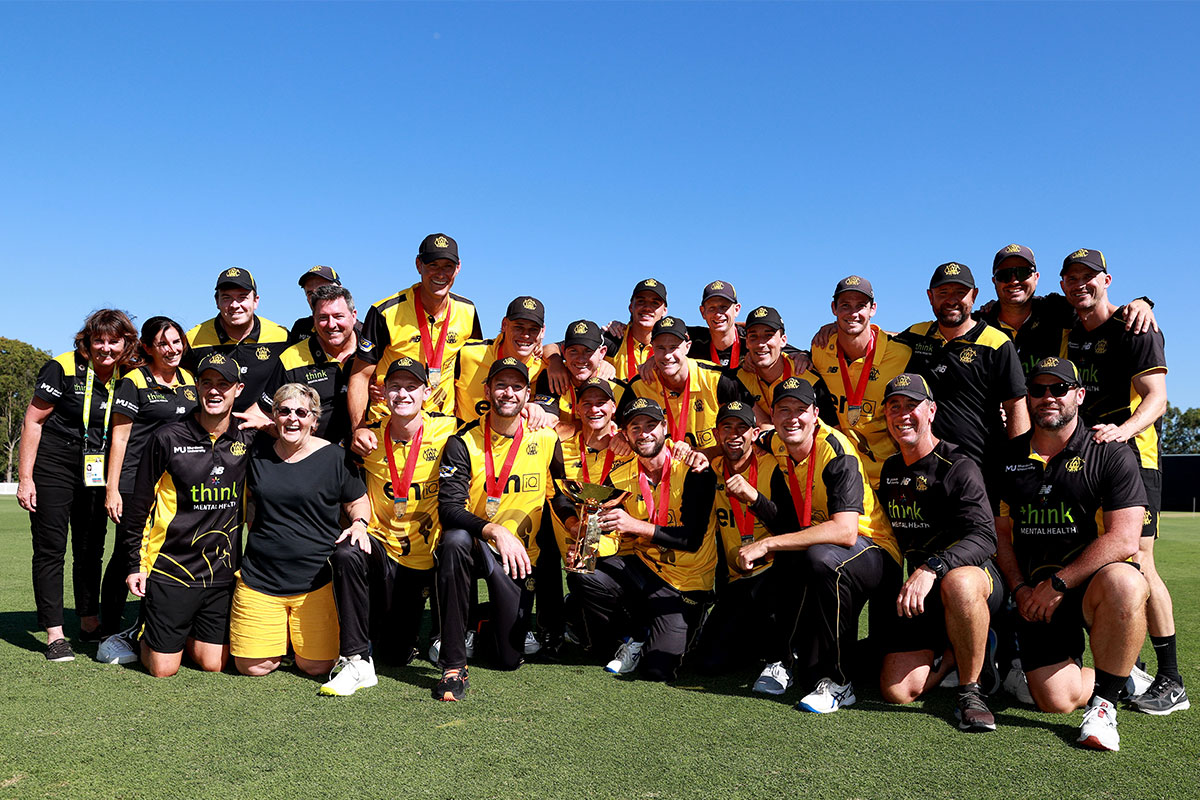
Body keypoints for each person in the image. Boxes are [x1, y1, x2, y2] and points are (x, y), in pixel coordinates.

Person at [993, 357, 1150, 751]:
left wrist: (1060, 583)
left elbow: (1125, 539)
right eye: (1038, 389)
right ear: (1028, 398)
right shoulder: (1007, 457)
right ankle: (1122, 673)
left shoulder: (1110, 451)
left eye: (1059, 388)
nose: (1048, 397)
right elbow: (1001, 536)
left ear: (1079, 395)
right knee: (1055, 700)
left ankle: (1104, 705)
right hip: (1036, 596)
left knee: (1127, 582)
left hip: (1087, 586)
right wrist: (1020, 589)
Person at [1061, 248, 1184, 715]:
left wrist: (1122, 431)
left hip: (1133, 456)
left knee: (1139, 559)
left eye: (1089, 276)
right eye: (1072, 277)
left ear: (1107, 280)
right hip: (1086, 458)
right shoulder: (1068, 327)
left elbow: (1157, 399)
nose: (1081, 284)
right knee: (1093, 557)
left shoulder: (1136, 326)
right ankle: (1126, 666)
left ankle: (1171, 678)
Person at [737, 378, 901, 713]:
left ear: (815, 415)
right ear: (774, 415)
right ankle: (783, 659)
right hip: (831, 549)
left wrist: (766, 544)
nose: (792, 418)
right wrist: (696, 455)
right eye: (784, 410)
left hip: (875, 550)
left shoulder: (836, 451)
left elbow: (845, 532)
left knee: (818, 555)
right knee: (809, 671)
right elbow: (753, 435)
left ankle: (839, 682)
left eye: (801, 410)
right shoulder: (778, 438)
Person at [433, 357, 577, 700]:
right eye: (500, 385)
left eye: (516, 387)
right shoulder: (462, 441)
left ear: (527, 394)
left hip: (519, 556)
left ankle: (480, 624)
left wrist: (574, 524)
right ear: (487, 391)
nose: (508, 393)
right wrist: (494, 531)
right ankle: (453, 664)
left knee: (507, 659)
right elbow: (449, 509)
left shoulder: (545, 438)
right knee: (453, 541)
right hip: (478, 543)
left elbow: (558, 494)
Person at [876, 373, 1004, 732]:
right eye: (894, 406)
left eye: (912, 405)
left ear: (931, 411)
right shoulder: (891, 469)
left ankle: (971, 691)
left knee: (958, 583)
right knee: (896, 690)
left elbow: (985, 537)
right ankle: (953, 655)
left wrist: (933, 567)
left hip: (972, 581)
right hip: (923, 594)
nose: (902, 414)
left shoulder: (958, 465)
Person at [324, 358, 459, 695]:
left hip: (424, 557)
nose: (403, 394)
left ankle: (438, 636)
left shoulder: (450, 430)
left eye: (411, 387)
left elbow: (494, 429)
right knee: (346, 552)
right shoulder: (367, 438)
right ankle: (355, 659)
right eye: (395, 387)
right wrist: (357, 520)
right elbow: (338, 473)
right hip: (381, 549)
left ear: (427, 393)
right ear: (382, 393)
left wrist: (536, 410)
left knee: (395, 655)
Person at [121, 353, 257, 677]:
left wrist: (269, 424)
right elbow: (139, 506)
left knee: (214, 664)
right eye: (207, 383)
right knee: (163, 669)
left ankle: (177, 633)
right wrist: (134, 565)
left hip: (221, 573)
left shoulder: (249, 437)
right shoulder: (167, 437)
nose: (214, 390)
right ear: (196, 387)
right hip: (171, 569)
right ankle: (139, 633)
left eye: (223, 384)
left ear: (238, 389)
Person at [18, 309, 138, 662]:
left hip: (96, 466)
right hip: (54, 462)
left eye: (114, 341)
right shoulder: (63, 367)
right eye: (98, 340)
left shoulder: (129, 374)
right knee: (51, 548)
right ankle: (55, 633)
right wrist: (25, 478)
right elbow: (33, 421)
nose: (105, 348)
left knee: (90, 548)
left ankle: (88, 621)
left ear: (126, 343)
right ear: (87, 341)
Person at [229, 384, 369, 680]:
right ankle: (281, 634)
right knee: (253, 667)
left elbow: (357, 500)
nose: (292, 418)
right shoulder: (256, 452)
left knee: (316, 666)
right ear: (274, 416)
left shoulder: (335, 457)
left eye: (301, 413)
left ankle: (293, 639)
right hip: (260, 578)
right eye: (284, 411)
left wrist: (359, 523)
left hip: (314, 582)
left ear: (314, 420)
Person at [573, 398, 718, 682]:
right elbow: (608, 530)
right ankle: (633, 636)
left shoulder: (694, 469)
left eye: (651, 425)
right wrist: (584, 549)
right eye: (635, 428)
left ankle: (690, 618)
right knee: (583, 573)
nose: (644, 433)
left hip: (686, 582)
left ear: (664, 427)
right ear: (625, 435)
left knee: (657, 670)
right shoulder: (620, 476)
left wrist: (635, 525)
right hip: (645, 570)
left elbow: (691, 540)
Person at [98, 316, 197, 663]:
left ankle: (150, 628)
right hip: (133, 483)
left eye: (176, 341)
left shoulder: (190, 381)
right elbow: (120, 438)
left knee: (162, 553)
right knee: (127, 555)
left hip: (173, 485)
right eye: (162, 344)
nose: (172, 349)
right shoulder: (134, 381)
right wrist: (113, 489)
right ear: (148, 348)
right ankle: (108, 632)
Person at [691, 401, 798, 695]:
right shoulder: (709, 470)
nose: (734, 434)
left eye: (742, 428)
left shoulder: (773, 466)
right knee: (707, 663)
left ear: (754, 433)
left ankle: (782, 659)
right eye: (727, 427)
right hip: (738, 579)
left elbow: (791, 528)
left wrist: (755, 499)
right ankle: (761, 642)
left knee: (784, 582)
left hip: (776, 572)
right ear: (717, 434)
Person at [893, 262, 1029, 472]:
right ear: (930, 296)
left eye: (960, 292)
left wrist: (1022, 465)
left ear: (974, 296)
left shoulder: (997, 343)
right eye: (943, 292)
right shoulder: (915, 335)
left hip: (982, 468)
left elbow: (1015, 406)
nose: (951, 300)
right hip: (924, 469)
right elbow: (877, 342)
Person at [349, 234, 482, 442]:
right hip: (389, 422)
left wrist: (537, 349)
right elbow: (360, 375)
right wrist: (359, 428)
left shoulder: (468, 310)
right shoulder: (385, 312)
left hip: (442, 426)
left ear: (458, 268)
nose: (440, 274)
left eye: (447, 266)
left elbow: (477, 360)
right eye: (433, 265)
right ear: (419, 265)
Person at [977, 243, 1157, 376]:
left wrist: (1142, 303)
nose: (1014, 280)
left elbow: (1095, 305)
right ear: (994, 281)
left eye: (1023, 273)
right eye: (1004, 275)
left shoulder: (1056, 309)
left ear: (1036, 278)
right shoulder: (979, 324)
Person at [807, 278, 912, 489]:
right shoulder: (820, 350)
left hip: (890, 476)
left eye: (860, 306)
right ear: (834, 308)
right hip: (843, 475)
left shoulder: (902, 354)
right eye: (845, 305)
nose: (853, 313)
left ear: (873, 309)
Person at [245, 284, 360, 446]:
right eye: (323, 317)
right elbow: (263, 411)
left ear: (354, 316)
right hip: (313, 454)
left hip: (372, 452)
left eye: (338, 316)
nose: (331, 324)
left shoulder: (374, 350)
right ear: (313, 319)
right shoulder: (291, 358)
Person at [616, 316, 752, 452]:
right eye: (660, 348)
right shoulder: (639, 385)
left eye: (673, 347)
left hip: (712, 462)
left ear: (687, 347)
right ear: (653, 348)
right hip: (663, 463)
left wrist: (705, 454)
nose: (667, 355)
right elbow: (620, 427)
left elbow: (751, 427)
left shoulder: (716, 378)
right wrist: (621, 437)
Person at [184, 267, 291, 413]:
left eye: (242, 297)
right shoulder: (193, 339)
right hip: (209, 424)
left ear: (256, 301)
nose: (234, 305)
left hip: (264, 424)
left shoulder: (282, 337)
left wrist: (263, 413)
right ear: (217, 301)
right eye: (226, 298)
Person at [454, 295, 550, 424]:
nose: (525, 335)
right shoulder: (466, 354)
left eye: (533, 329)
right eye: (518, 327)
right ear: (504, 324)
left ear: (542, 332)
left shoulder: (544, 371)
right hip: (464, 436)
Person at [533, 319, 610, 419]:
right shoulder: (550, 378)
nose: (580, 359)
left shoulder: (614, 385)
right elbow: (547, 423)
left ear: (602, 353)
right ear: (563, 352)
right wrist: (555, 361)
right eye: (573, 351)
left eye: (588, 351)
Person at [601, 278, 670, 382]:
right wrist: (599, 364)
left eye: (655, 303)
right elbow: (577, 353)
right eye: (641, 301)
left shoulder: (671, 346)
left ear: (664, 311)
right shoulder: (613, 338)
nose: (647, 307)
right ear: (631, 307)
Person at [688, 280, 745, 368]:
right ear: (703, 312)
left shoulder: (752, 340)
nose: (718, 314)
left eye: (724, 307)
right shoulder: (692, 341)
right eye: (712, 308)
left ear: (736, 310)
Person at [289, 264, 342, 343]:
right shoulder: (301, 327)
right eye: (310, 293)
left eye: (322, 291)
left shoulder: (357, 330)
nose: (315, 297)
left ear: (341, 291)